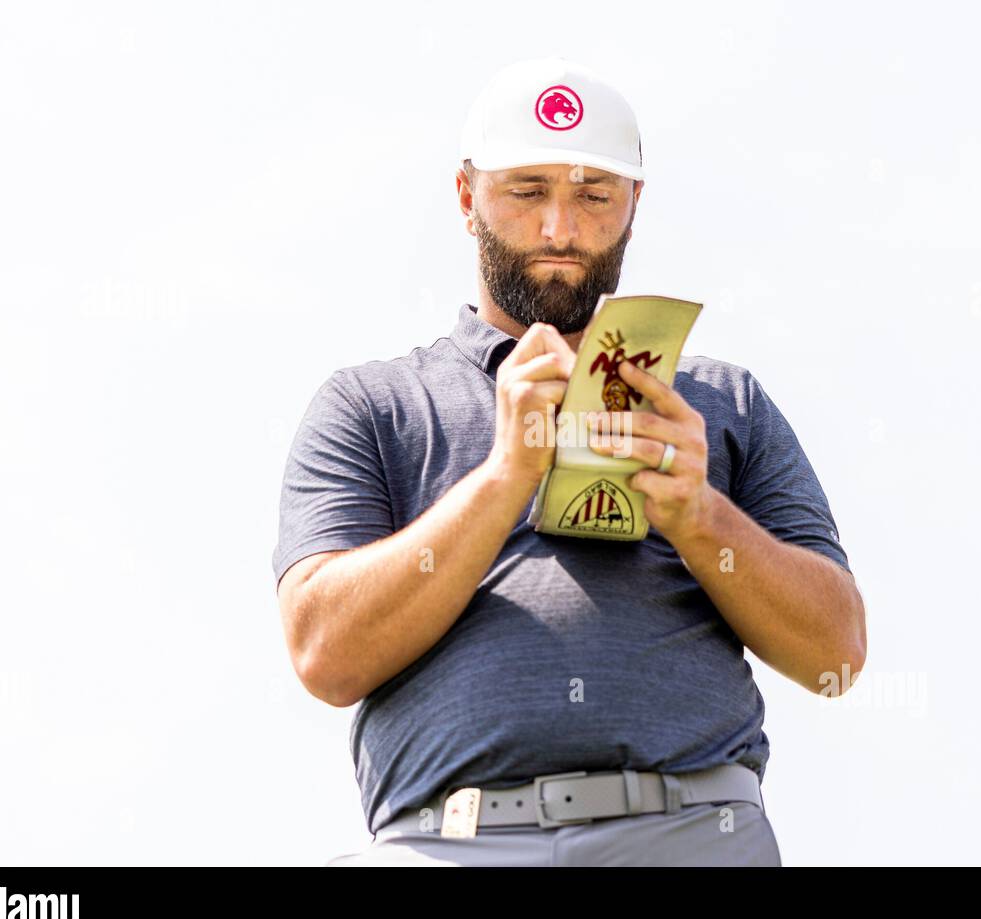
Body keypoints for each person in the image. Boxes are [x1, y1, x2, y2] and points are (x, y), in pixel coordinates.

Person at [272, 56, 867, 866]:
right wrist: (504, 476)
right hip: (442, 843)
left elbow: (835, 653)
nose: (561, 229)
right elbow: (323, 655)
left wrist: (700, 513)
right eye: (527, 193)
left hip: (690, 832)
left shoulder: (724, 403)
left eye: (594, 196)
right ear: (465, 195)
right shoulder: (373, 404)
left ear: (633, 207)